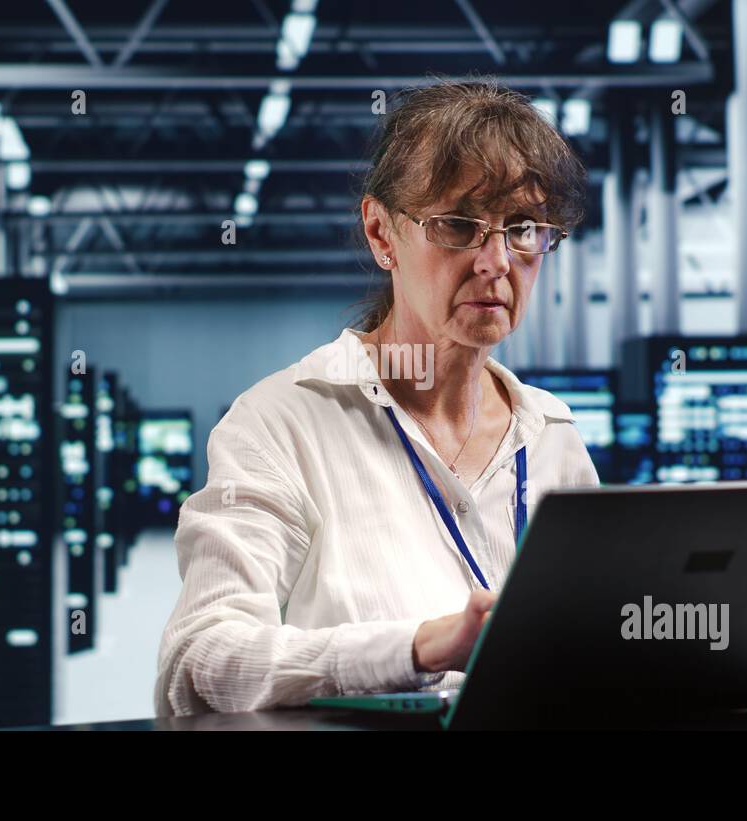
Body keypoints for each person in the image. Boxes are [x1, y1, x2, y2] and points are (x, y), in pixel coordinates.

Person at [154, 77, 598, 716]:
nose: (496, 261)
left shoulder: (553, 436)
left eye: (523, 228)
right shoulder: (280, 424)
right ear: (381, 234)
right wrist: (418, 649)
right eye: (458, 226)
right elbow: (197, 665)